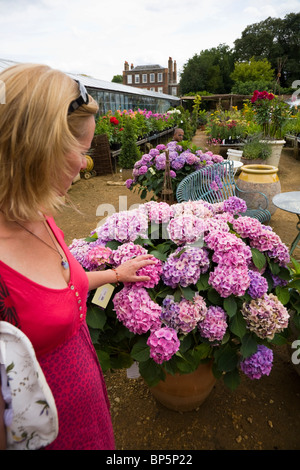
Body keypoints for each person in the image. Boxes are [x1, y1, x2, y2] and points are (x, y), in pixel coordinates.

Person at [0, 63, 156, 450]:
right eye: (82, 152)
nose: (87, 164)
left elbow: (68, 285)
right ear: (39, 151)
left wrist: (118, 273)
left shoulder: (39, 216)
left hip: (86, 416)